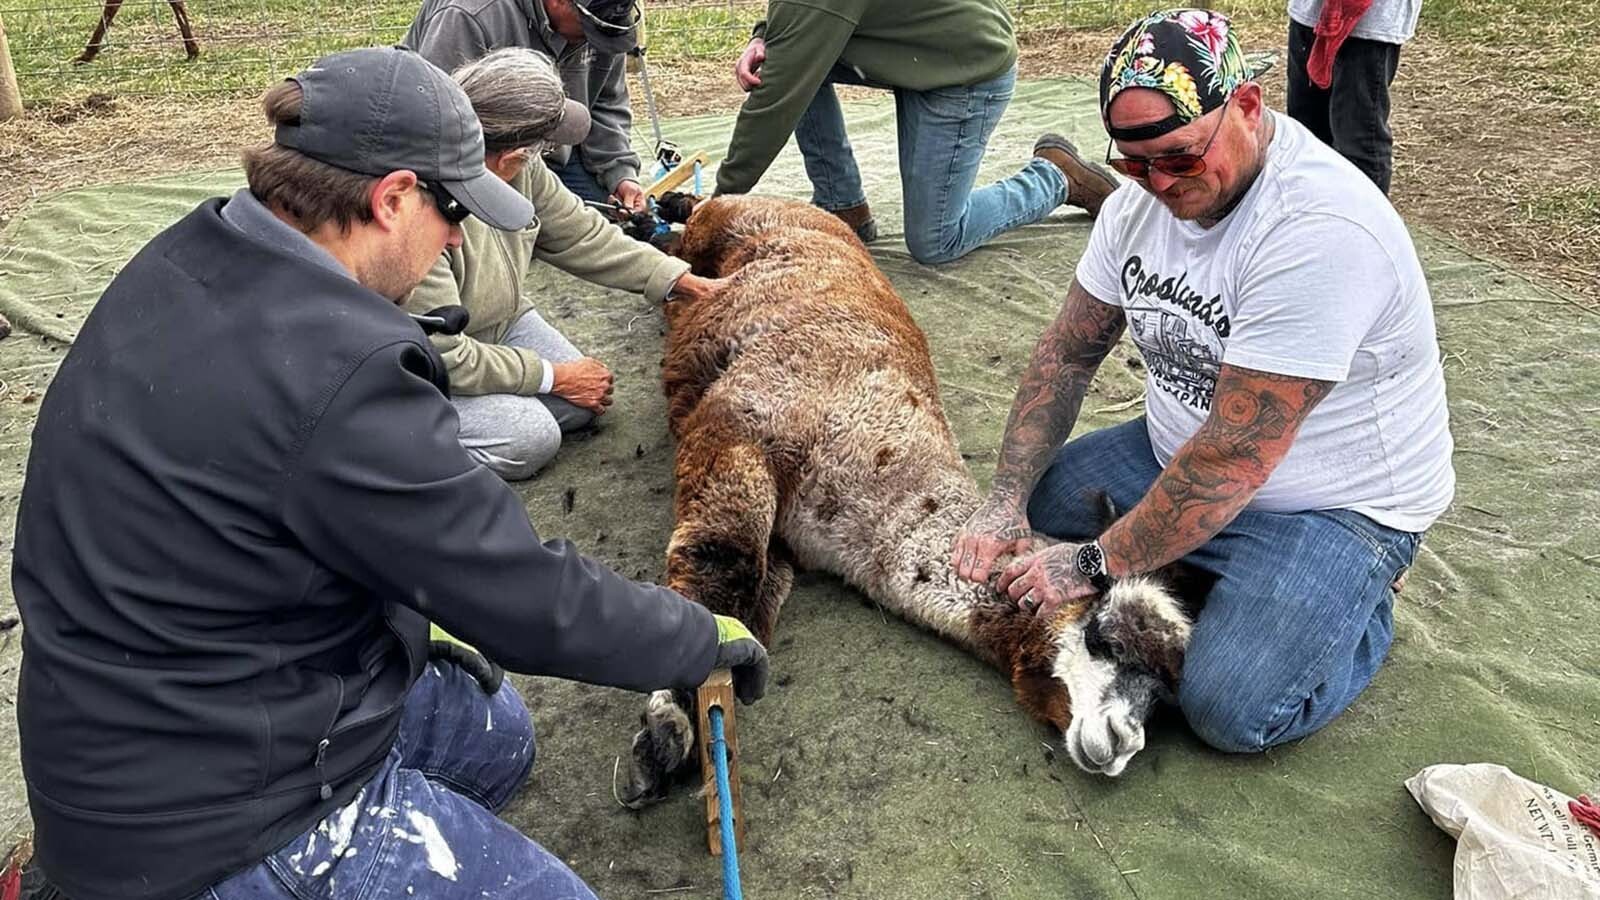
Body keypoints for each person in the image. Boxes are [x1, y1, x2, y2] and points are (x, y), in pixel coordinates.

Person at [11, 46, 768, 900]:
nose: (458, 236)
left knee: (497, 737)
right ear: (393, 197)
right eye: (454, 211)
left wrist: (401, 624)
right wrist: (693, 636)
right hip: (211, 809)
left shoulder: (192, 252)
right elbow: (519, 594)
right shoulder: (340, 370)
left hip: (169, 687)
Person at [951, 9, 1453, 757]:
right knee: (1045, 498)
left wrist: (1092, 562)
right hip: (1180, 450)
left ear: (1246, 106)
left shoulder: (1320, 232)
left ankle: (1365, 597)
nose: (1159, 184)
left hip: (1329, 504)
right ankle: (1210, 562)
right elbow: (1067, 354)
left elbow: (1234, 458)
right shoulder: (1136, 206)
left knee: (1231, 708)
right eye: (1133, 165)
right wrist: (1003, 498)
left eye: (1180, 158)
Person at [405, 47, 724, 480]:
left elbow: (581, 233)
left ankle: (484, 407)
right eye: (540, 145)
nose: (544, 154)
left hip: (501, 322)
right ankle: (395, 437)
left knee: (580, 407)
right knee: (529, 438)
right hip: (423, 362)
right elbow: (444, 353)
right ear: (509, 155)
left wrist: (681, 281)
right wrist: (550, 377)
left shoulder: (523, 170)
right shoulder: (417, 217)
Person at [716, 0, 1120, 265]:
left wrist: (716, 204)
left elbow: (774, 102)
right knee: (788, 62)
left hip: (967, 70)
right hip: (924, 46)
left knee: (936, 240)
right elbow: (804, 21)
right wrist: (764, 36)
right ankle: (843, 206)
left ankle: (1055, 178)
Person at [404, 0, 650, 211]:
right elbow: (437, 126)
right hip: (480, 156)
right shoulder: (468, 15)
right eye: (589, 30)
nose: (594, 41)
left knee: (600, 223)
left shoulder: (604, 23)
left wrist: (620, 174)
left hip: (555, 150)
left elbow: (607, 102)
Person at [1285, 0, 1417, 194]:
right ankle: (1313, 210)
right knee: (1305, 138)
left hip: (1370, 21)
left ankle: (1364, 212)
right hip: (1309, 13)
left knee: (1358, 144)